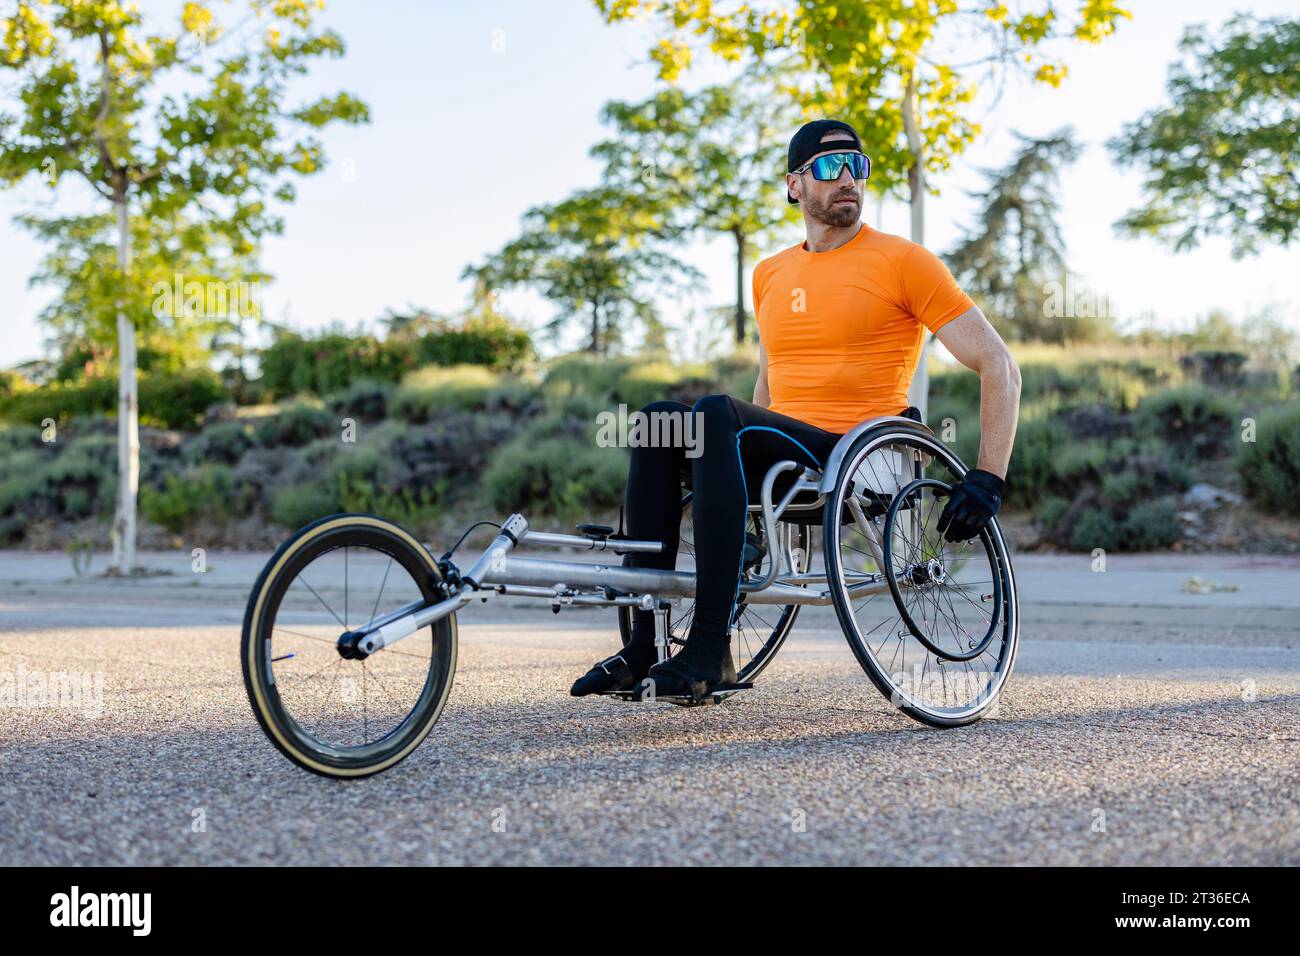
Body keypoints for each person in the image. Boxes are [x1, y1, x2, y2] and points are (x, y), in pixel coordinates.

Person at [571, 118, 1021, 702]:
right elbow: (766, 387)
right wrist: (733, 473)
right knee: (658, 421)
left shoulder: (904, 261)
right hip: (785, 448)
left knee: (714, 412)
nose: (848, 181)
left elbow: (1000, 366)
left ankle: (709, 651)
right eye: (830, 168)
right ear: (794, 185)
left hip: (859, 452)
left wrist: (988, 477)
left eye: (857, 167)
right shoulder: (770, 275)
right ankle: (643, 646)